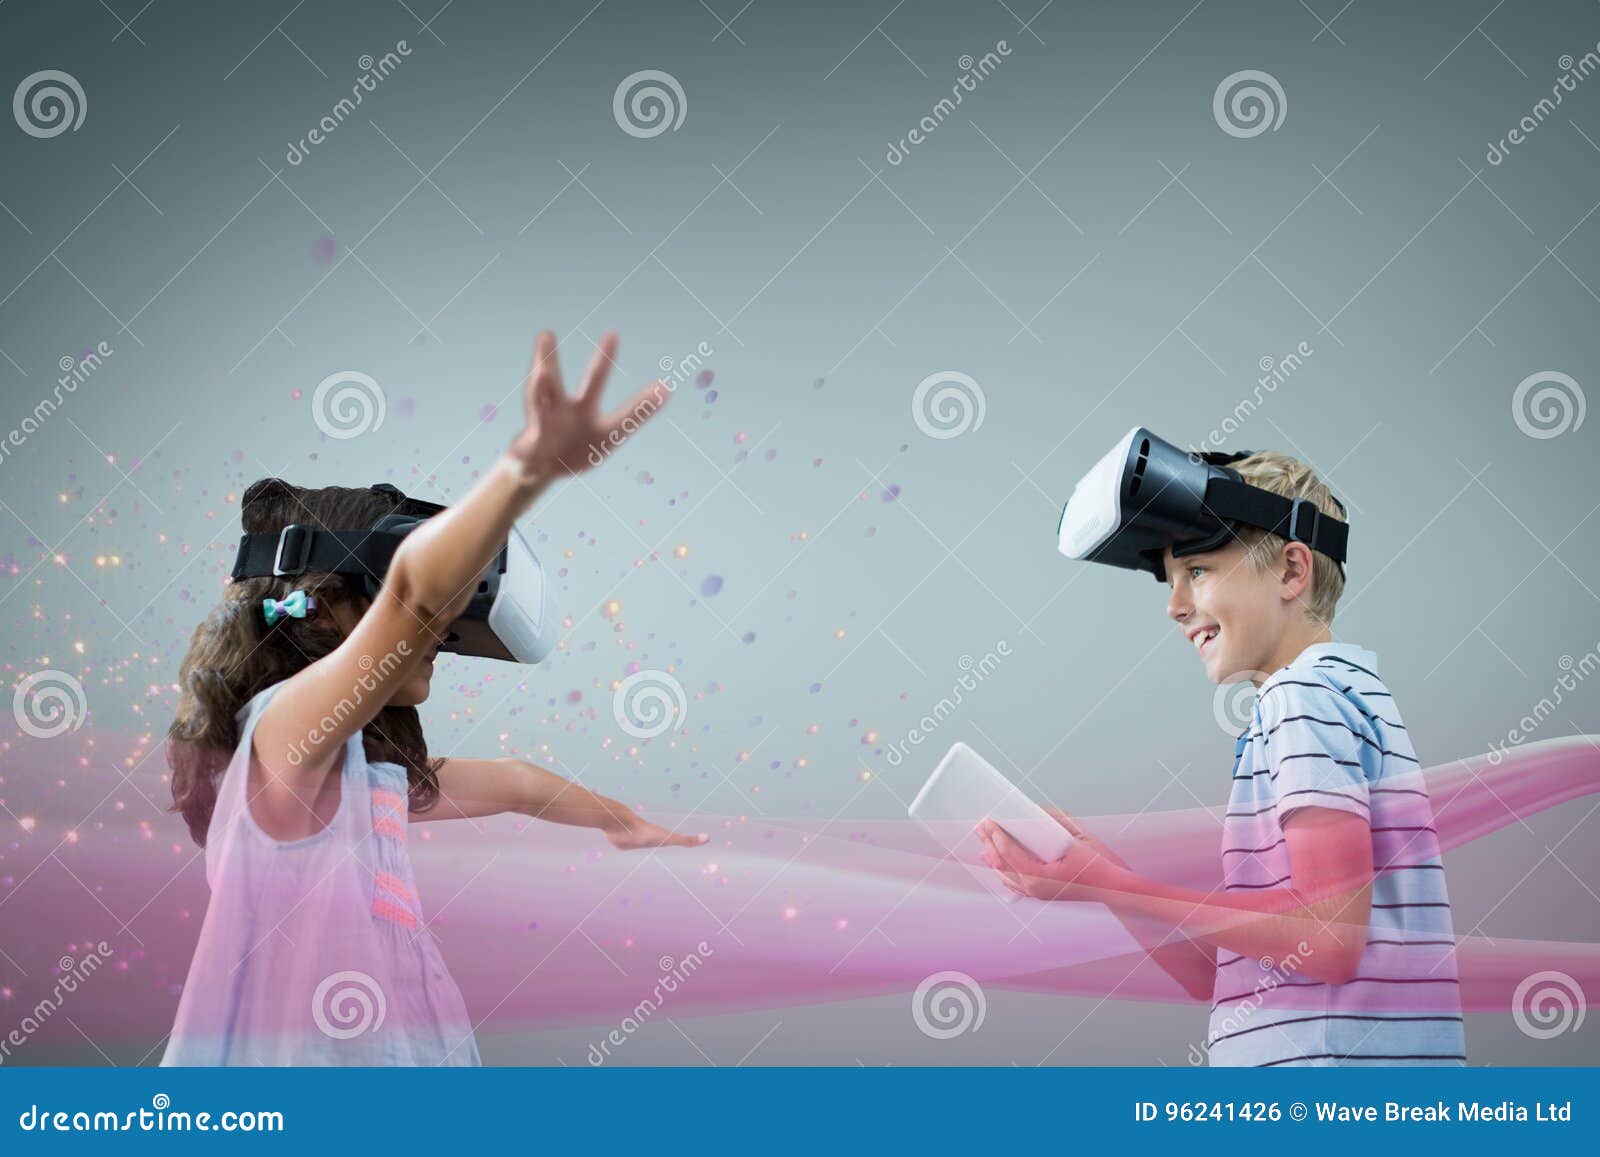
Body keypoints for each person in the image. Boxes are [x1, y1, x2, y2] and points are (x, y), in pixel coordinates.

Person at [162, 329, 706, 1065]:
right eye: (399, 606)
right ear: (320, 609)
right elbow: (416, 599)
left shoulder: (358, 774)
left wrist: (622, 821)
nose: (441, 632)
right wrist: (527, 470)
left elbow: (516, 781)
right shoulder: (286, 737)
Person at [981, 449, 1466, 1067]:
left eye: (1200, 570)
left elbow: (1328, 940)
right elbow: (1229, 979)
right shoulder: (1331, 697)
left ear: (1293, 570)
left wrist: (1109, 882)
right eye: (1170, 579)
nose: (1175, 605)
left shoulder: (1303, 696)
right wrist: (1106, 882)